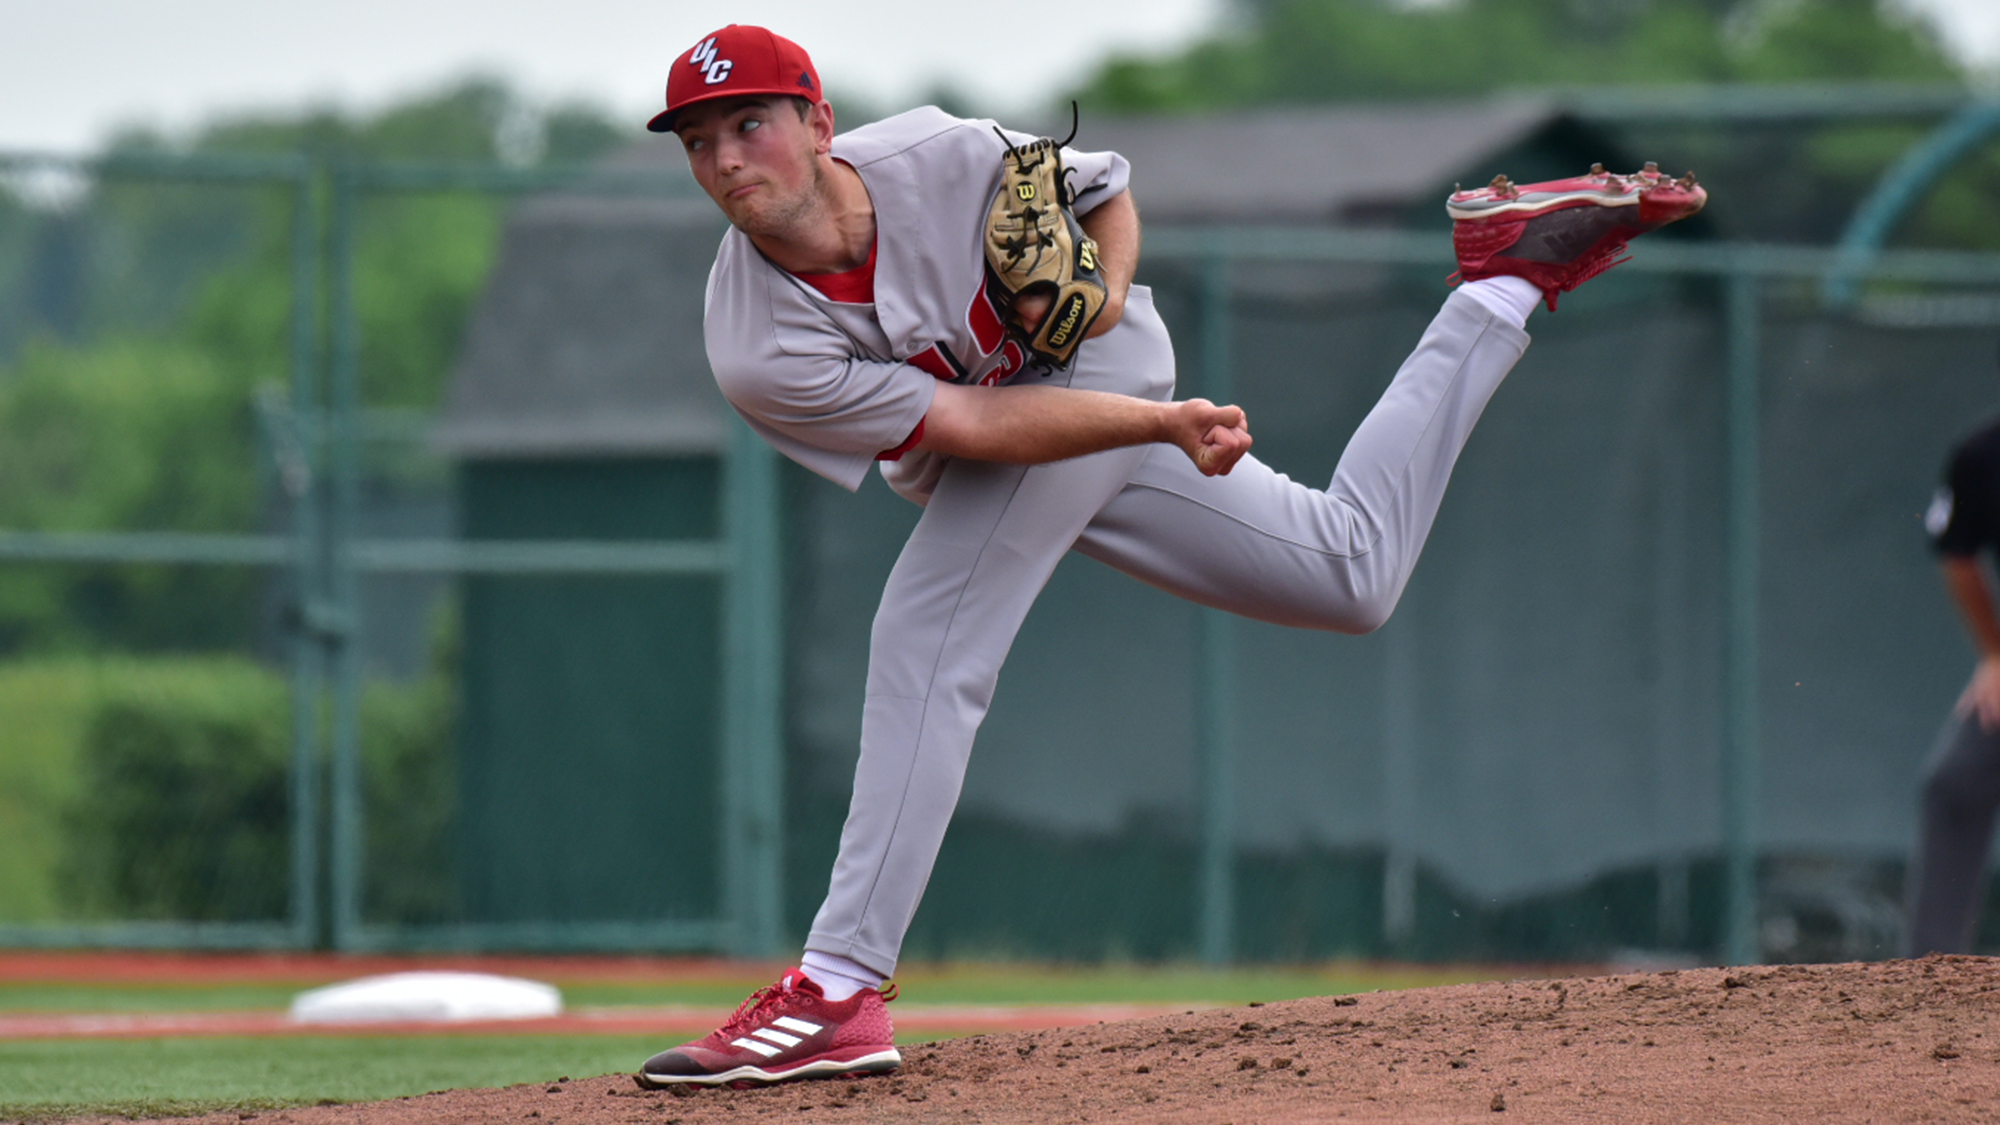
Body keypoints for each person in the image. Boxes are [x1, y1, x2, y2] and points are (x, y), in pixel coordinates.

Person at [632, 24, 1707, 1089]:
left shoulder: (932, 153)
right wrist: (1151, 428)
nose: (726, 158)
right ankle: (1501, 282)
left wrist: (1096, 296)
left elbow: (1103, 192)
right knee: (1348, 572)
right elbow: (971, 431)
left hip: (1100, 367)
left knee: (924, 636)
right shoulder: (754, 342)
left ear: (816, 123)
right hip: (1035, 432)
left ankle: (835, 990)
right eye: (698, 140)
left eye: (749, 124)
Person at [1908, 383, 2000, 956]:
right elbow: (1958, 557)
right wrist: (1995, 654)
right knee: (1956, 781)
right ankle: (1930, 984)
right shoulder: (1984, 454)